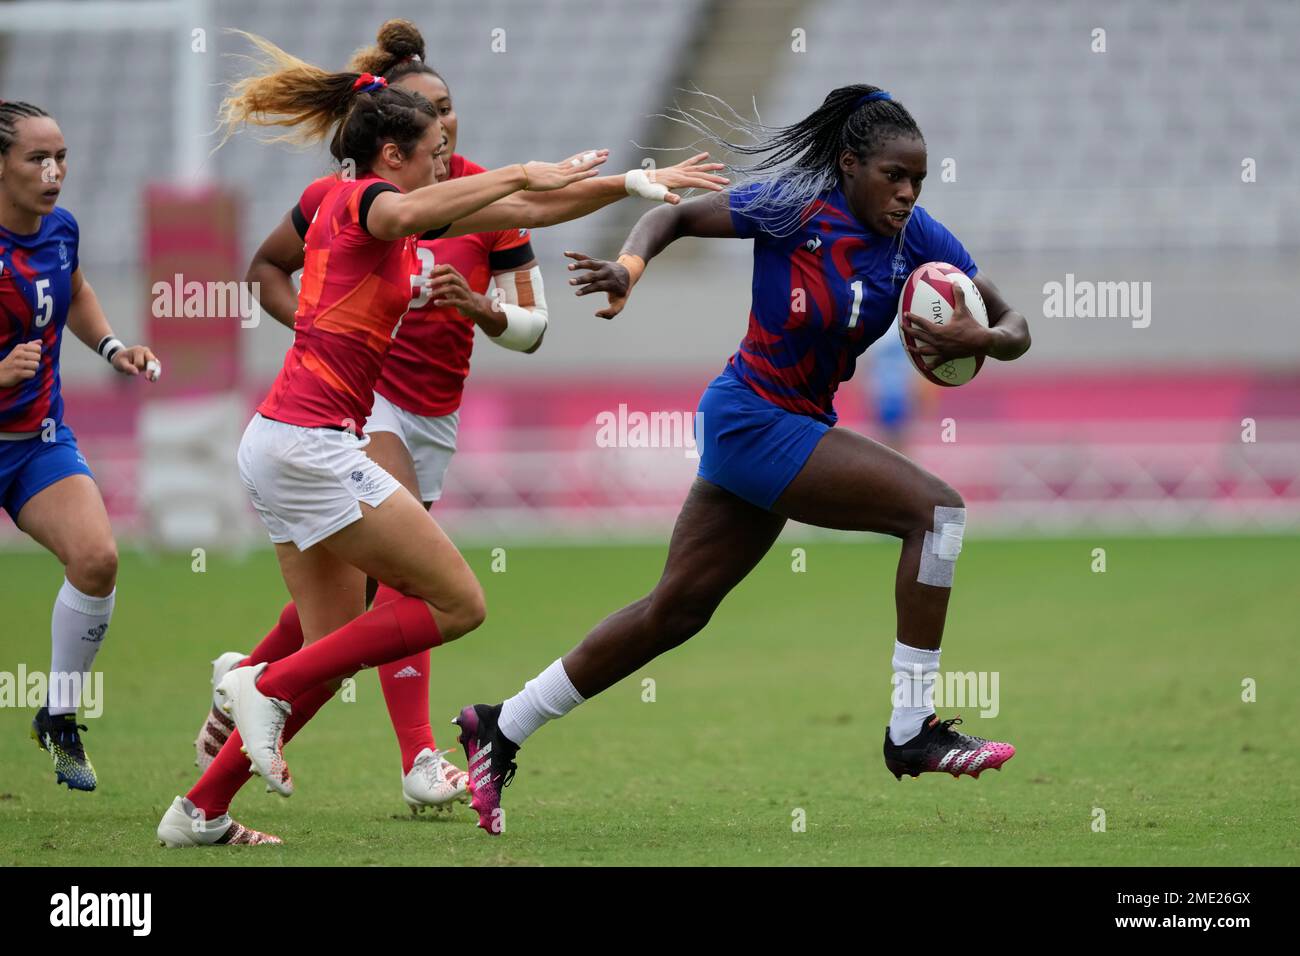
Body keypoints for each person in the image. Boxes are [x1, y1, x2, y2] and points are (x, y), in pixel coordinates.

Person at [453, 85, 1031, 835]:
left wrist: (980, 340)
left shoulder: (916, 237)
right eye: (894, 175)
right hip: (754, 419)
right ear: (850, 165)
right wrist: (630, 267)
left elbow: (1014, 322)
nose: (908, 192)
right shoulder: (793, 208)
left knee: (674, 611)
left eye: (918, 178)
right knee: (939, 514)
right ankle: (911, 731)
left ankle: (500, 725)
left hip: (786, 426)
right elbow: (672, 215)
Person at [190, 19, 728, 817]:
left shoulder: (419, 197)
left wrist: (631, 184)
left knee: (347, 619)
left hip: (371, 421)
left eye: (449, 108)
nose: (446, 125)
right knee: (431, 597)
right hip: (345, 421)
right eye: (429, 115)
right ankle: (402, 751)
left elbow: (531, 214)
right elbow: (307, 254)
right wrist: (320, 335)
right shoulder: (379, 204)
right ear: (392, 139)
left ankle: (205, 796)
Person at [0, 100, 161, 792]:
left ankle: (59, 715)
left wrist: (113, 347)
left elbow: (78, 288)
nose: (54, 171)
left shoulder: (60, 230)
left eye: (61, 156)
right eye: (37, 158)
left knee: (97, 559)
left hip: (35, 445)